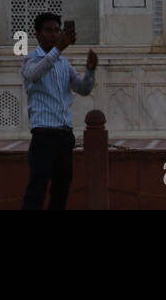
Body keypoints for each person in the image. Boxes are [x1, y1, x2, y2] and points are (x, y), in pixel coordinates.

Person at [21, 13, 97, 210]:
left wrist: (90, 71)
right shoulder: (31, 59)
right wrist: (57, 49)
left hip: (64, 135)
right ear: (37, 34)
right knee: (36, 191)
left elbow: (83, 89)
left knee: (61, 191)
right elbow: (34, 75)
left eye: (57, 30)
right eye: (48, 30)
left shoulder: (64, 63)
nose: (54, 34)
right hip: (43, 135)